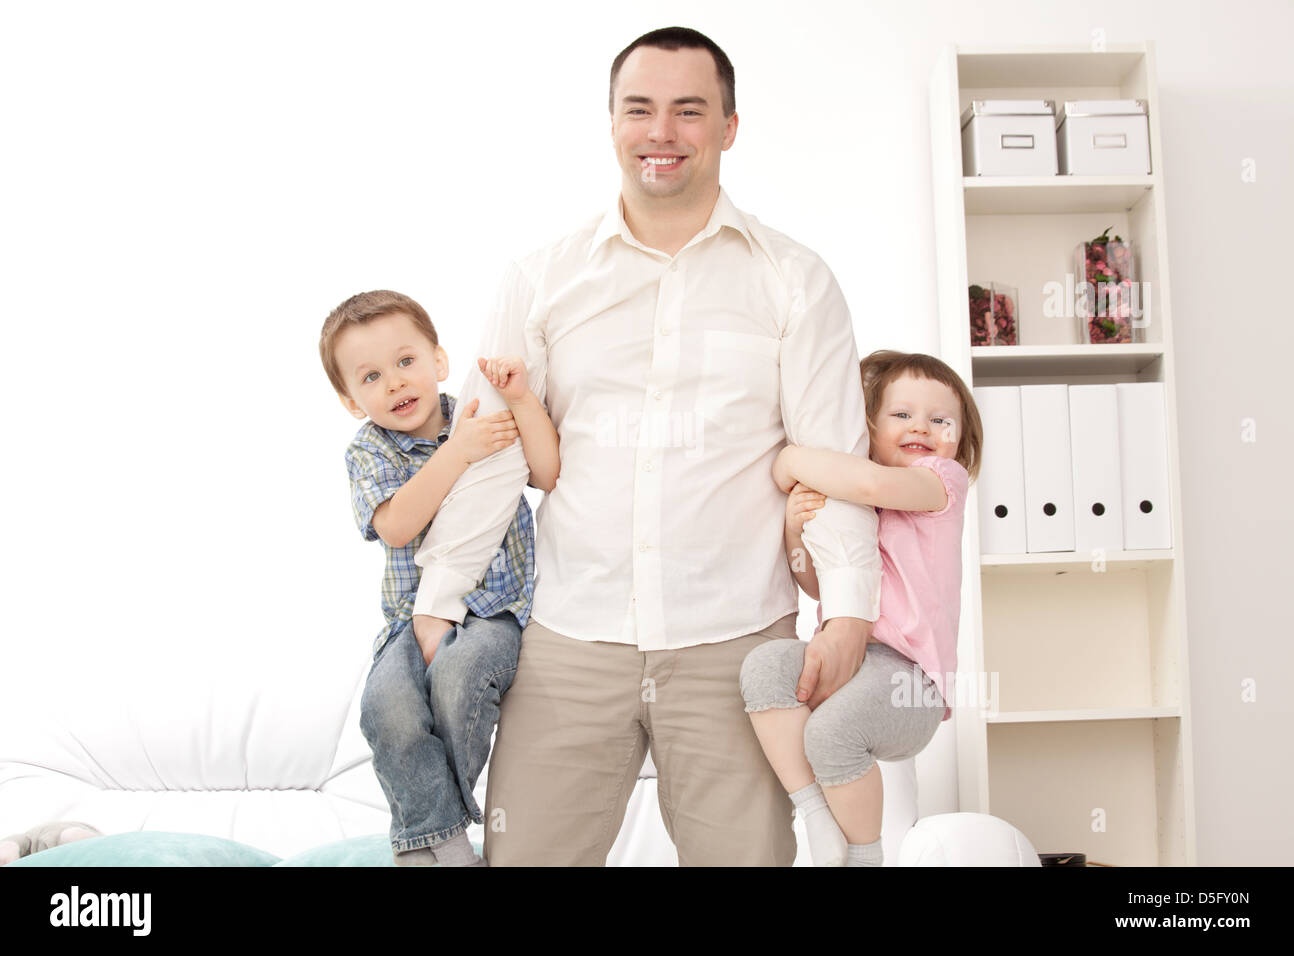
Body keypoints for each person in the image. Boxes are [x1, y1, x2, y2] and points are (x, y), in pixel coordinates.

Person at [409, 26, 882, 866]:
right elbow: (492, 452)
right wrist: (439, 596)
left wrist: (846, 613)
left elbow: (832, 454)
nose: (661, 132)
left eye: (688, 111)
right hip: (569, 636)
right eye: (641, 109)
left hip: (738, 638)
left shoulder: (794, 279)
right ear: (613, 123)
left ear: (729, 127)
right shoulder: (540, 276)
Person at [319, 289, 558, 866]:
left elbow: (548, 473)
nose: (396, 383)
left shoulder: (479, 415)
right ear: (352, 401)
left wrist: (521, 400)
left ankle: (424, 837)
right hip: (407, 619)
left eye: (406, 362)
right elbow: (398, 525)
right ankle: (447, 844)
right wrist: (456, 454)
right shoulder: (368, 452)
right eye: (372, 376)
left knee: (460, 678)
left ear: (439, 363)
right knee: (386, 708)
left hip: (494, 611)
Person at [741, 350, 984, 866]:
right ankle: (815, 815)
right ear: (868, 427)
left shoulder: (941, 481)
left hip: (911, 680)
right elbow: (812, 582)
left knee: (831, 734)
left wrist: (787, 460)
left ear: (960, 442)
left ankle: (865, 857)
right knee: (764, 668)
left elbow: (872, 482)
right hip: (853, 665)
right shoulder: (853, 503)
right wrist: (792, 528)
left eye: (941, 421)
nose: (921, 427)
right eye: (901, 415)